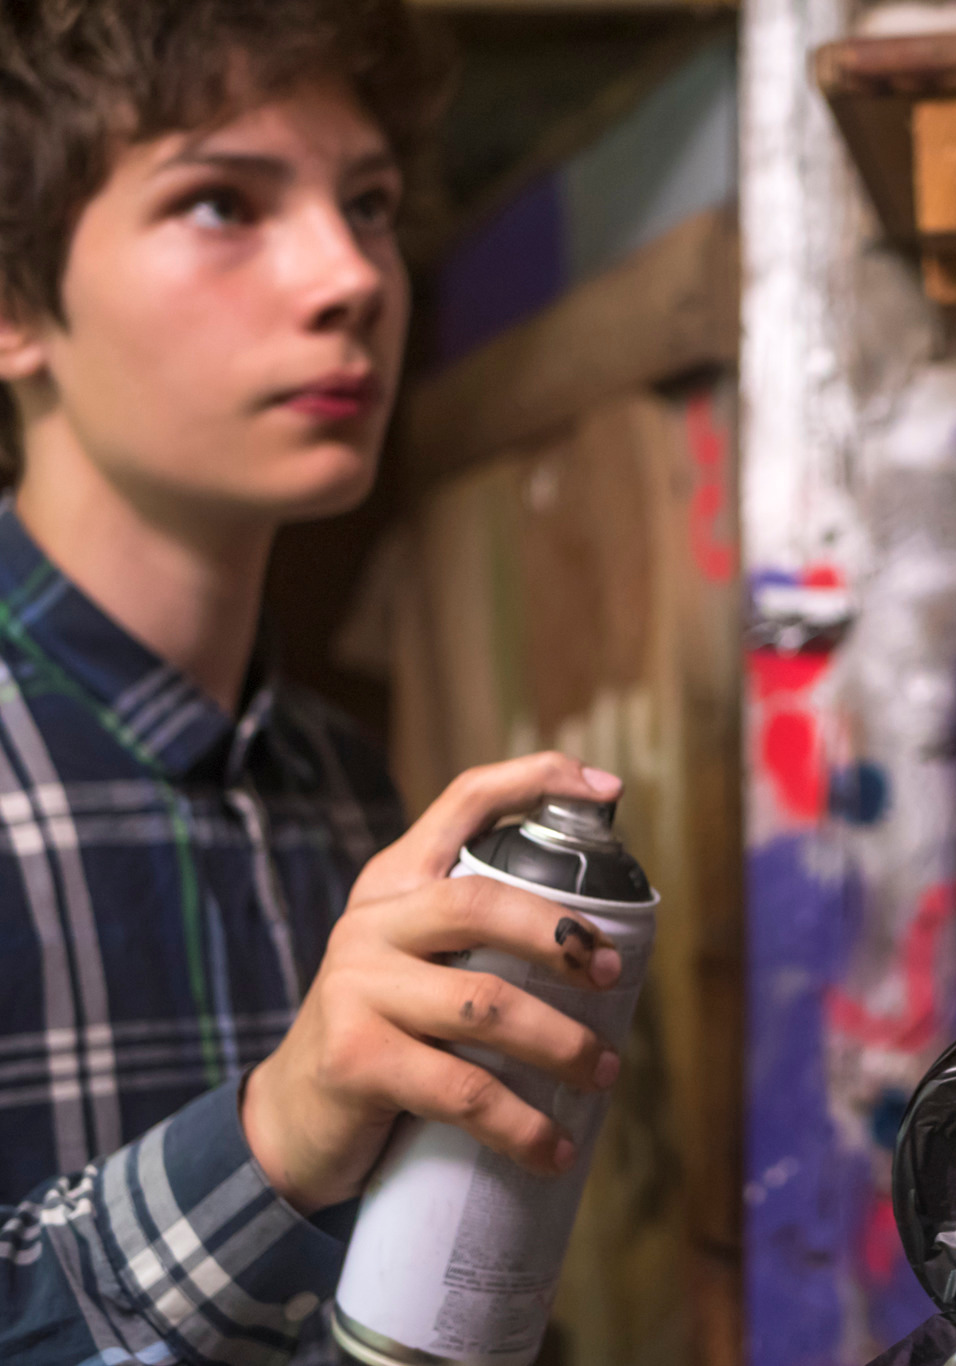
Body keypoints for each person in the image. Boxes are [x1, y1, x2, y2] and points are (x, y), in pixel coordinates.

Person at [0, 3, 626, 1361]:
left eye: (372, 202)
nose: (350, 274)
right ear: (12, 306)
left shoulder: (346, 788)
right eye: (223, 201)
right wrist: (274, 1136)